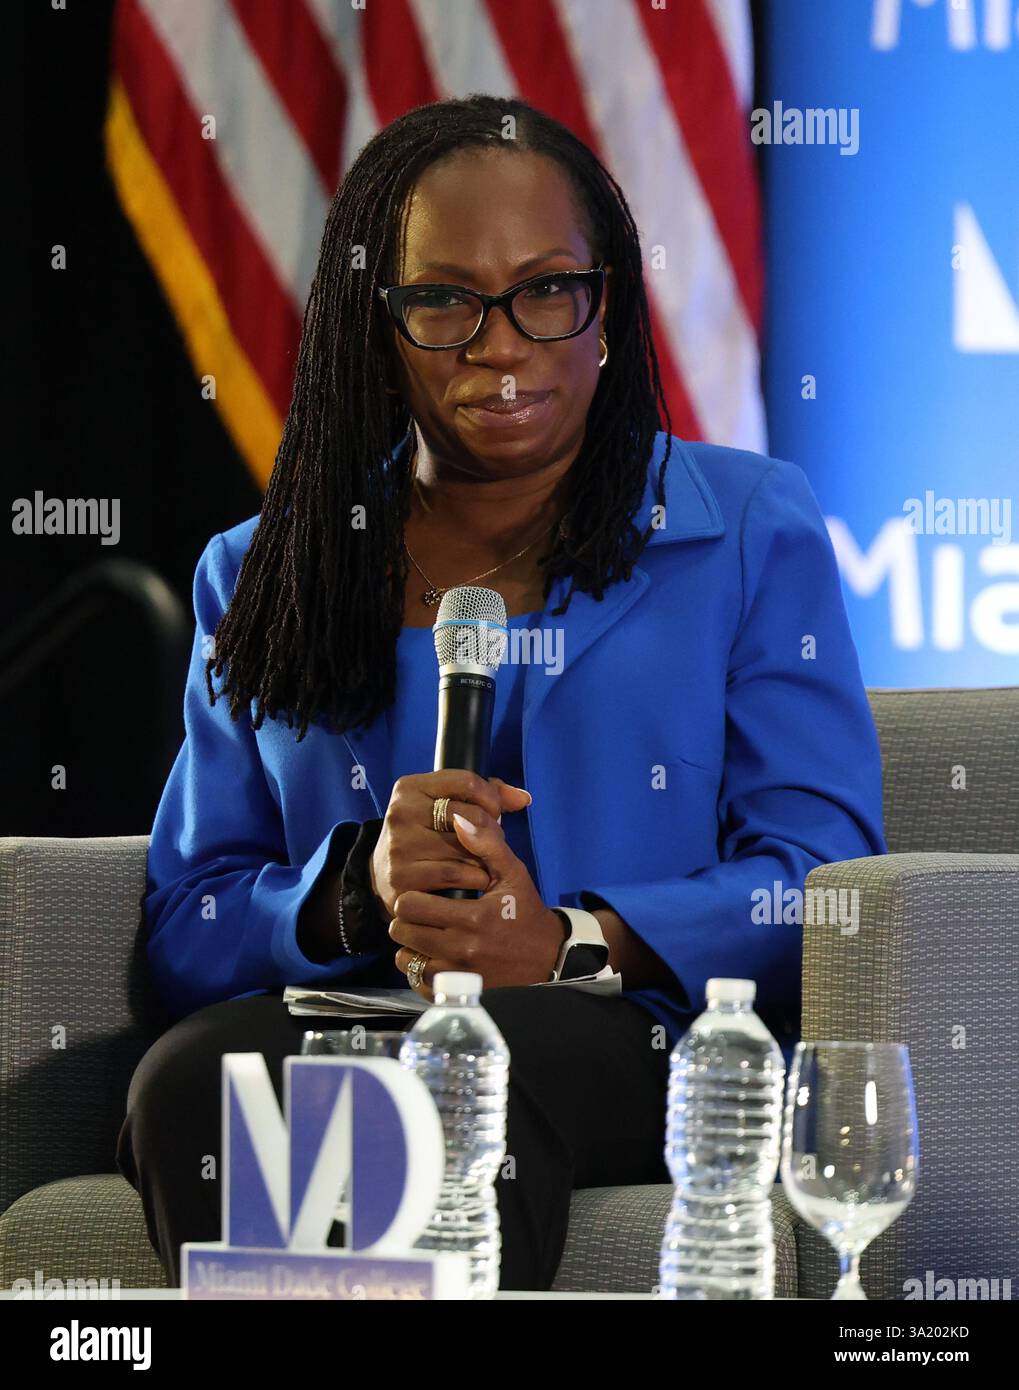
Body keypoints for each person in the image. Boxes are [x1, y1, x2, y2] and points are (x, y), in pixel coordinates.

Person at [116, 94, 887, 1293]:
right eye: (443, 301)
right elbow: (187, 920)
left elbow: (818, 873)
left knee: (473, 1072)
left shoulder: (744, 527)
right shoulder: (261, 568)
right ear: (379, 326)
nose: (499, 344)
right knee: (189, 1078)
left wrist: (571, 943)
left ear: (605, 313)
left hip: (626, 1031)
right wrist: (349, 897)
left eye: (545, 290)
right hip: (348, 1015)